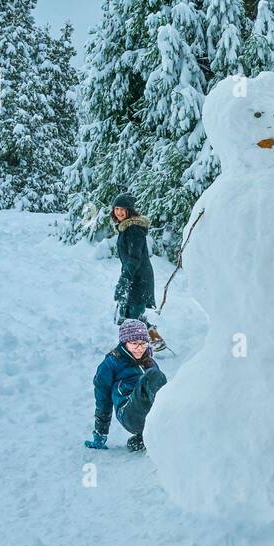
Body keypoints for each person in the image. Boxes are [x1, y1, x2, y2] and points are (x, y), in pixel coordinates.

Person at [84, 319, 167, 453]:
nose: (140, 348)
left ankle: (145, 437)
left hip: (150, 413)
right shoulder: (111, 363)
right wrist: (100, 433)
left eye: (143, 343)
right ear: (124, 343)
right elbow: (102, 399)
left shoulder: (149, 362)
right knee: (153, 376)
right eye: (134, 343)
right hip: (129, 414)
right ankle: (165, 425)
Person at [111, 192, 156, 325]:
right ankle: (155, 341)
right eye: (116, 208)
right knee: (131, 317)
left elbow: (134, 258)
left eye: (122, 209)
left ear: (128, 211)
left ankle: (137, 344)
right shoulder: (125, 227)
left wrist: (125, 278)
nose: (119, 212)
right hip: (134, 277)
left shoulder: (133, 229)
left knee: (132, 318)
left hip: (139, 279)